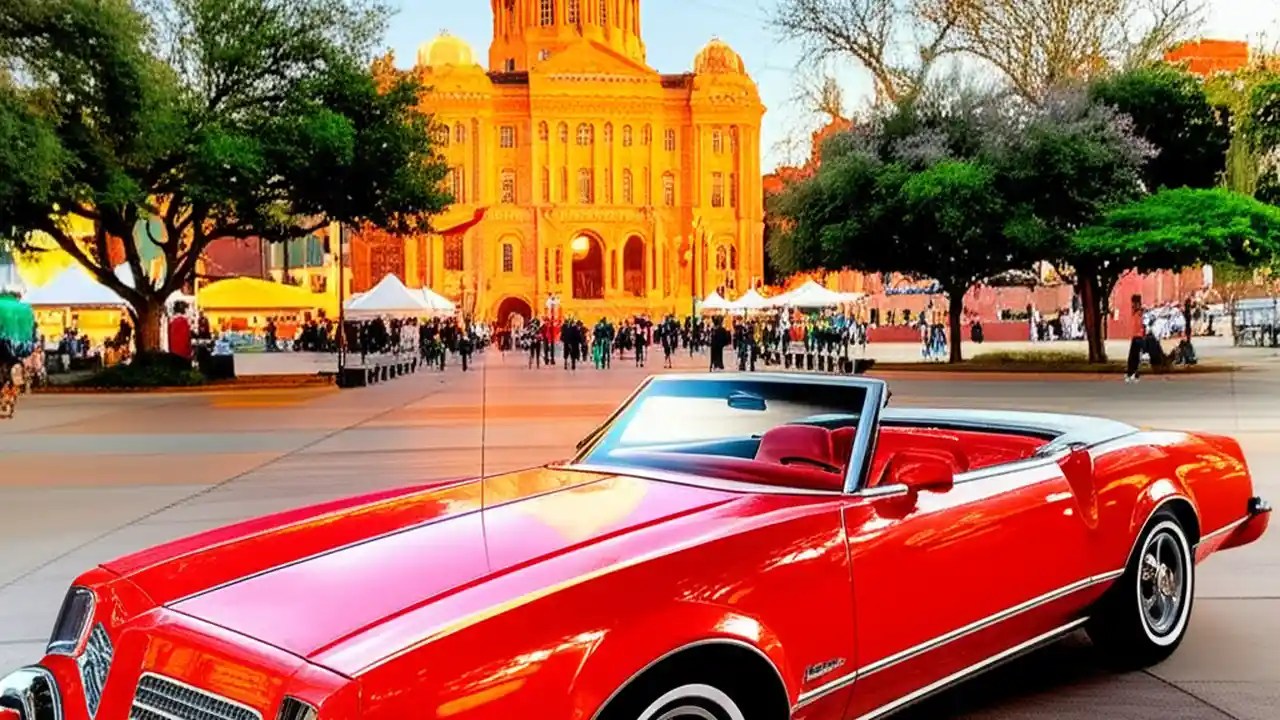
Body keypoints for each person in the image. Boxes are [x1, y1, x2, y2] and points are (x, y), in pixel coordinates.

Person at [1125, 294, 1146, 383]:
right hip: (1136, 336)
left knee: (1135, 356)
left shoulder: (1139, 311)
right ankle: (1132, 373)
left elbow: (1143, 324)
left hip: (1138, 336)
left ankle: (1134, 373)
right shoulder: (1136, 311)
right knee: (1133, 356)